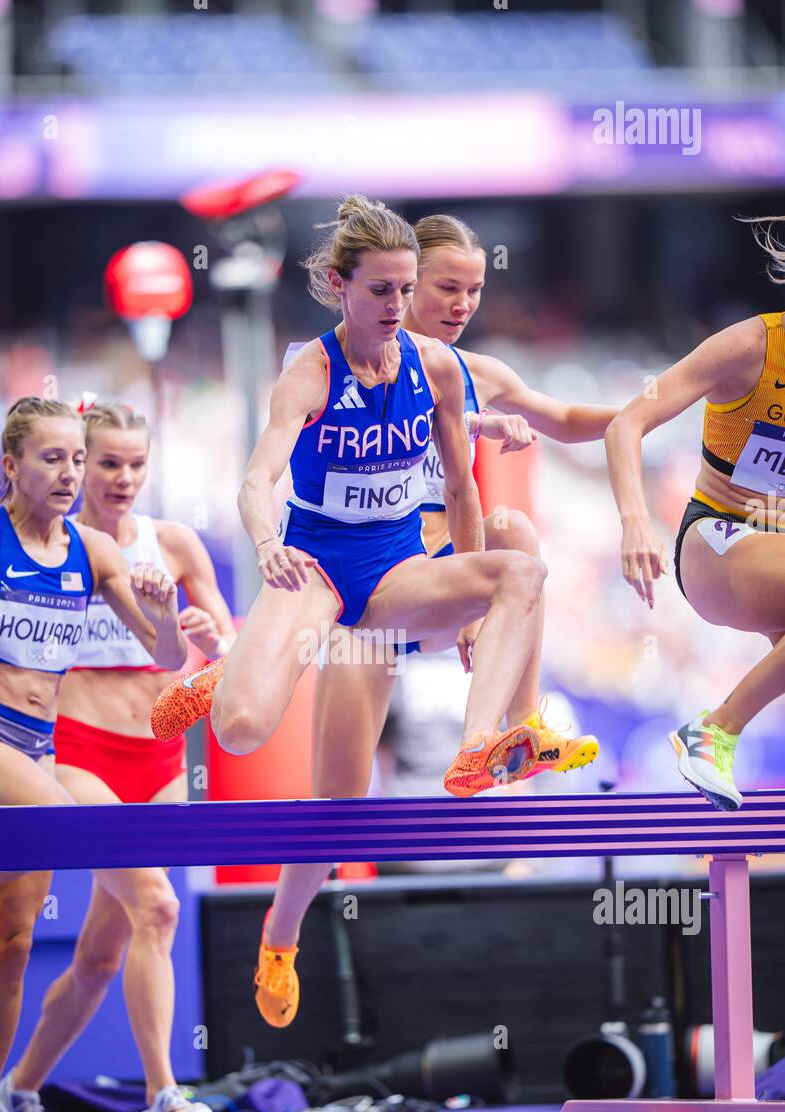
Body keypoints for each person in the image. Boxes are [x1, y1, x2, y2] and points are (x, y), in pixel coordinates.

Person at [251, 211, 614, 1026]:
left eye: (473, 290)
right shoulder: (324, 363)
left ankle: (510, 732)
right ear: (387, 288)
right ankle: (281, 934)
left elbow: (565, 422)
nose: (459, 304)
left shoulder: (467, 369)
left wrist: (661, 403)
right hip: (361, 597)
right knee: (337, 800)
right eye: (443, 287)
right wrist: (483, 427)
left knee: (519, 541)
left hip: (432, 575)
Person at [153, 194, 547, 812]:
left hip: (396, 572)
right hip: (314, 569)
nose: (396, 307)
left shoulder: (436, 367)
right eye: (380, 290)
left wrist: (470, 605)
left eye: (406, 290)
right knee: (242, 730)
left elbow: (460, 487)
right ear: (339, 284)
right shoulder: (310, 373)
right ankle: (225, 678)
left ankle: (478, 745)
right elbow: (256, 482)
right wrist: (266, 545)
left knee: (522, 568)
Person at [0, 396, 187, 1112]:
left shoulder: (95, 553)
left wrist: (169, 614)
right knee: (68, 823)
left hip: (32, 752)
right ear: (11, 465)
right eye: (52, 459)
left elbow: (165, 656)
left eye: (78, 458)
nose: (70, 473)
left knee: (9, 951)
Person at [0, 401, 235, 1112]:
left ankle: (21, 1087)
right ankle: (163, 1095)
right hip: (78, 754)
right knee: (157, 907)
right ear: (75, 464)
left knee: (101, 955)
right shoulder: (54, 550)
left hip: (162, 761)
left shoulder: (174, 542)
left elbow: (224, 640)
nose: (122, 478)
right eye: (106, 463)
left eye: (136, 464)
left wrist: (206, 635)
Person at [606, 215, 785, 812]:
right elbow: (626, 422)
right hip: (717, 540)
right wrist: (635, 521)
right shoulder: (750, 344)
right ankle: (715, 730)